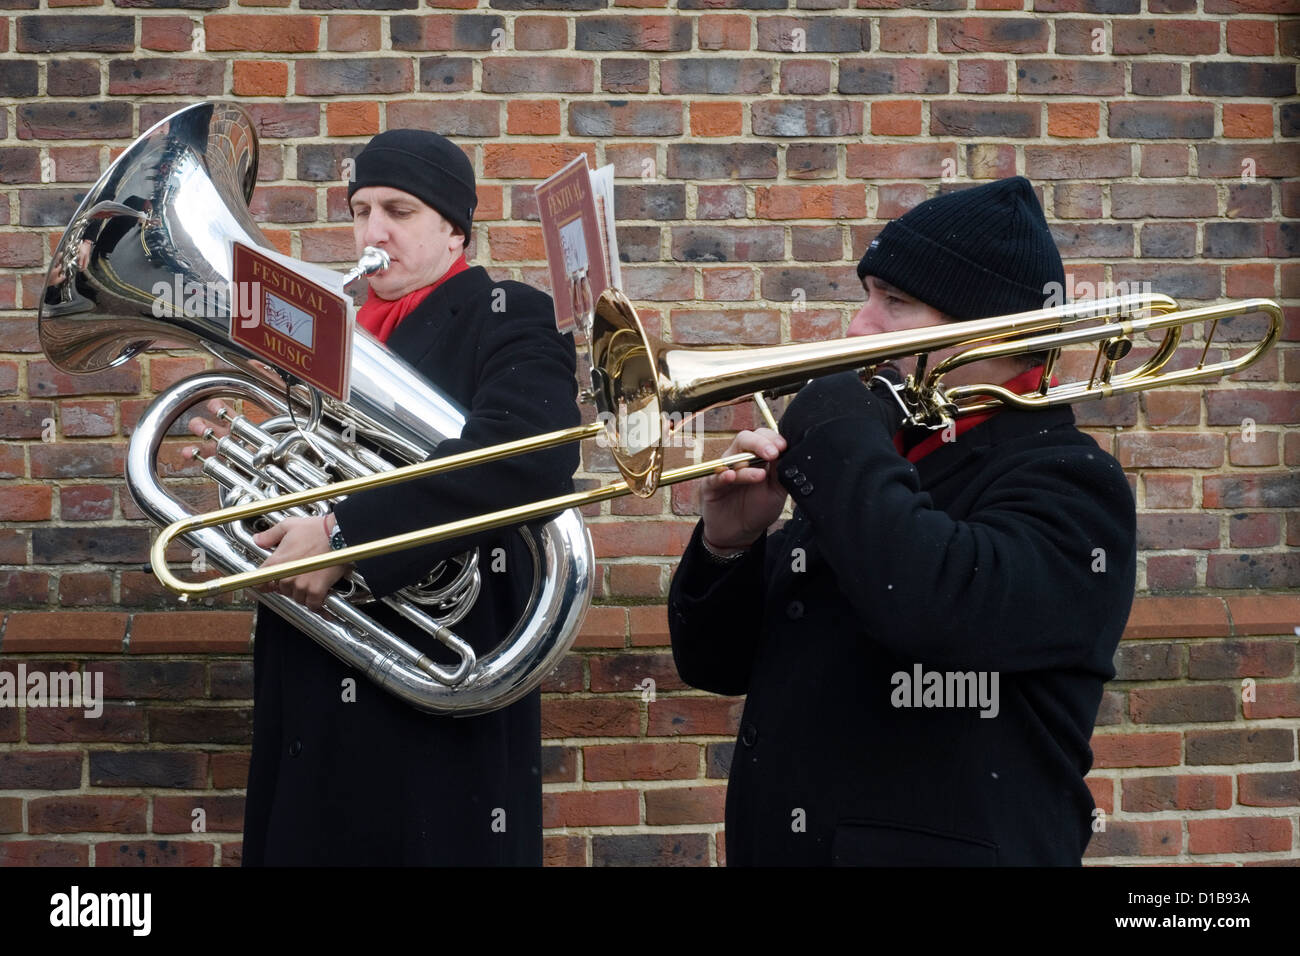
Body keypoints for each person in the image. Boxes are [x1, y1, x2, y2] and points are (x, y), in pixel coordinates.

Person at [668, 177, 1137, 866]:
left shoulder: (1071, 481)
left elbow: (933, 606)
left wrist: (834, 428)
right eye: (867, 297)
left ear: (996, 330)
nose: (860, 327)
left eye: (897, 304)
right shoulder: (887, 461)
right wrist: (729, 547)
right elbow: (716, 665)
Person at [189, 129, 580, 865]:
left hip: (431, 700)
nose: (373, 232)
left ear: (454, 226)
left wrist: (346, 535)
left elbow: (532, 452)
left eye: (399, 210)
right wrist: (261, 501)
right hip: (310, 685)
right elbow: (317, 486)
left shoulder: (509, 313)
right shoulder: (333, 338)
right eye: (361, 209)